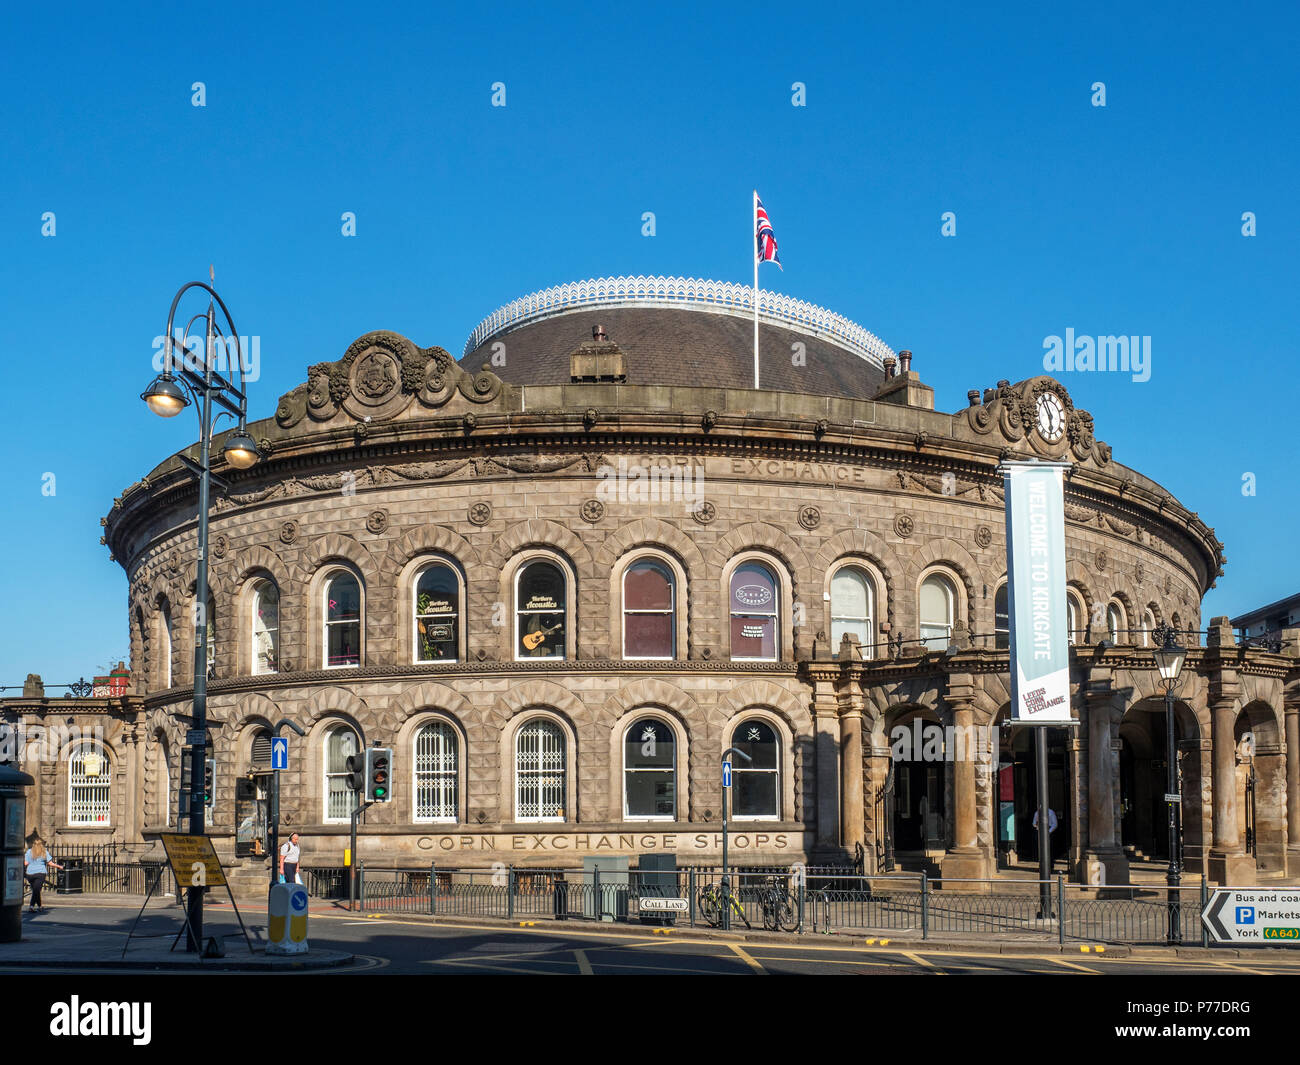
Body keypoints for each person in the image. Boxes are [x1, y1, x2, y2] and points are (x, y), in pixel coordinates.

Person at [23, 836, 62, 914]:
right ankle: (31, 906)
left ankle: (40, 906)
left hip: (30, 874)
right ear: (41, 844)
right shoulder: (44, 852)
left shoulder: (29, 851)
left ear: (33, 844)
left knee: (35, 890)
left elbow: (25, 863)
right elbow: (50, 863)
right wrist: (59, 866)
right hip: (40, 873)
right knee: (36, 890)